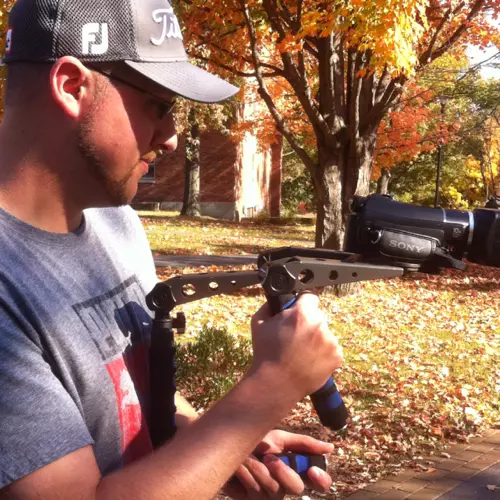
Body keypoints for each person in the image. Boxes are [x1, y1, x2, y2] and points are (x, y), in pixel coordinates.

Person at [0, 0, 344, 499]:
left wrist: (216, 443)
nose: (171, 138)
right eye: (158, 107)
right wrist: (271, 388)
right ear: (72, 86)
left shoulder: (116, 223)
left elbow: (130, 393)